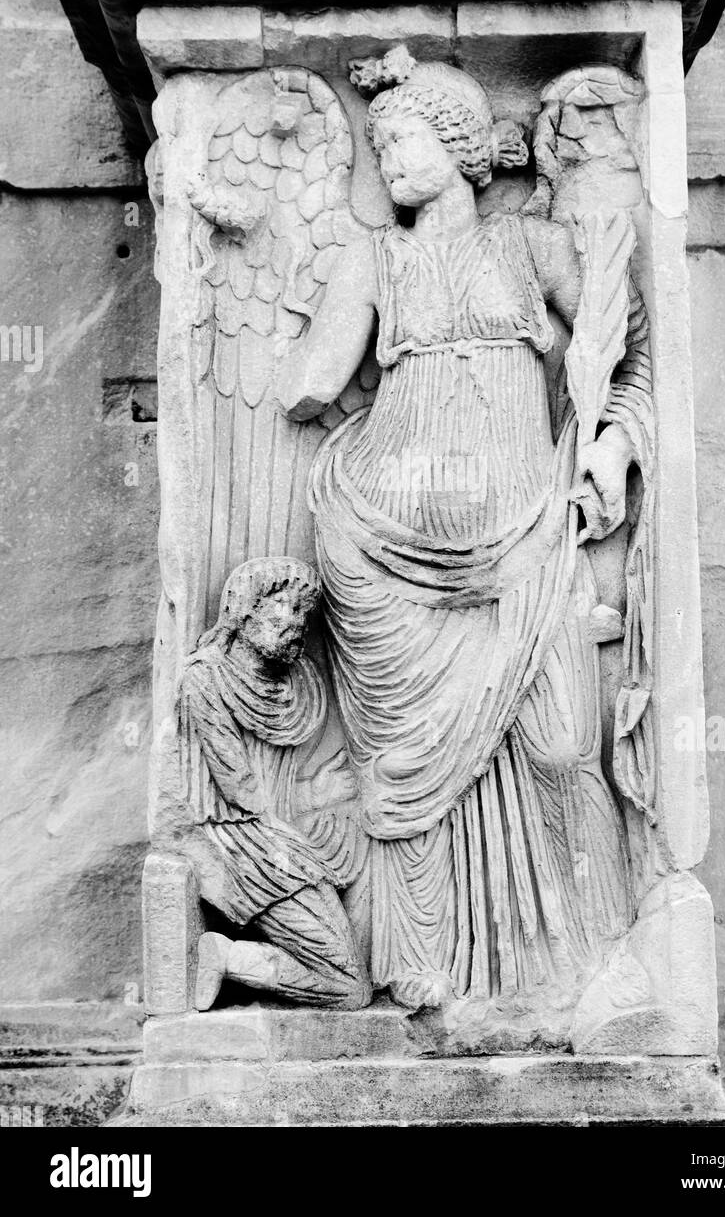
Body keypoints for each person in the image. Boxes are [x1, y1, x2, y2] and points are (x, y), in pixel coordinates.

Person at [277, 50, 649, 1010]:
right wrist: (269, 248)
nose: (387, 159)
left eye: (401, 137)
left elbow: (633, 345)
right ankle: (418, 967)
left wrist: (615, 443)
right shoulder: (376, 258)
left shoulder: (529, 244)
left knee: (566, 745)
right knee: (400, 769)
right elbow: (311, 384)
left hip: (527, 533)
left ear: (457, 143)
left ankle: (610, 953)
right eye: (378, 143)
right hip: (384, 541)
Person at [176, 555, 371, 1010]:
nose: (298, 622)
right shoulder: (204, 679)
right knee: (347, 986)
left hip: (271, 836)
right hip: (243, 845)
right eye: (286, 606)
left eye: (305, 613)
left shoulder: (288, 686)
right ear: (245, 609)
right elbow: (238, 787)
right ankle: (229, 957)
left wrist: (313, 794)